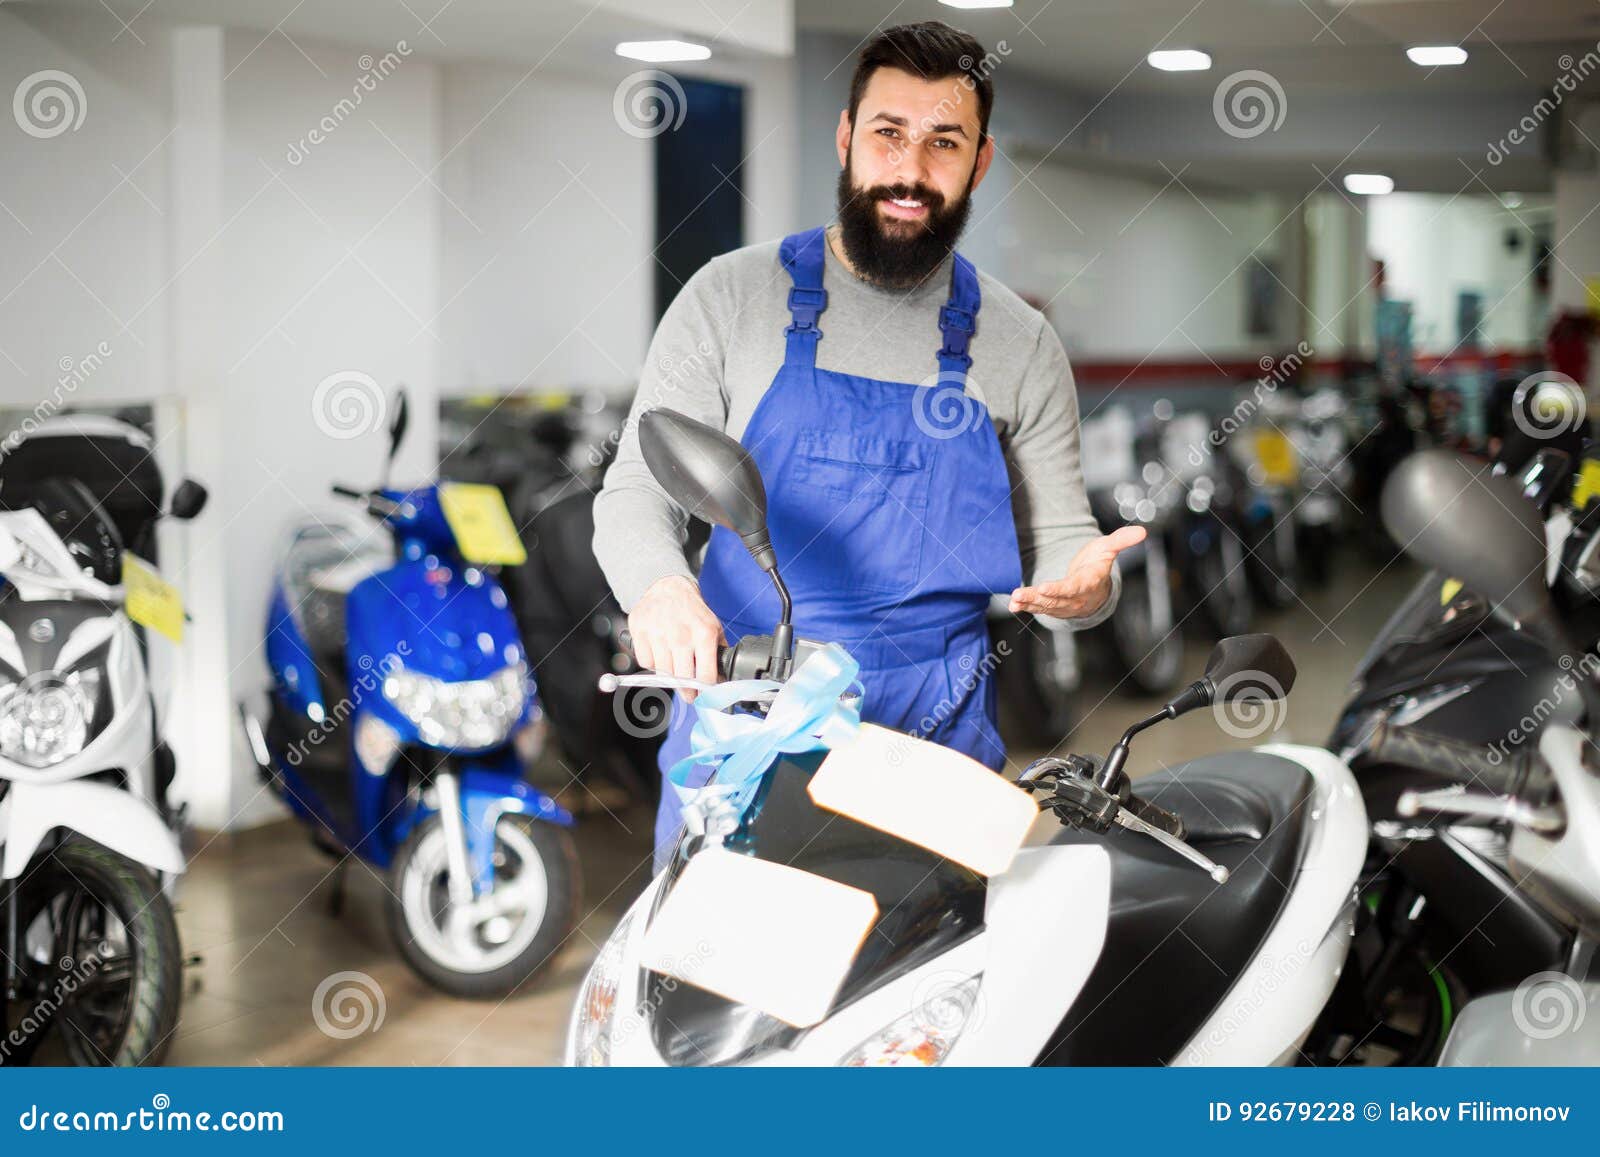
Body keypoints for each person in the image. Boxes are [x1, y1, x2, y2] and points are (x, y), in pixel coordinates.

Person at [592, 20, 1146, 866]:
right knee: (716, 975)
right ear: (848, 139)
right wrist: (660, 588)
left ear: (980, 161)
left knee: (932, 985)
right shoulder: (731, 298)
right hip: (752, 706)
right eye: (889, 134)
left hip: (936, 727)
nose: (910, 170)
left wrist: (1085, 587)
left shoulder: (1020, 341)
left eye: (943, 143)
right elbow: (636, 488)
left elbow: (1059, 542)